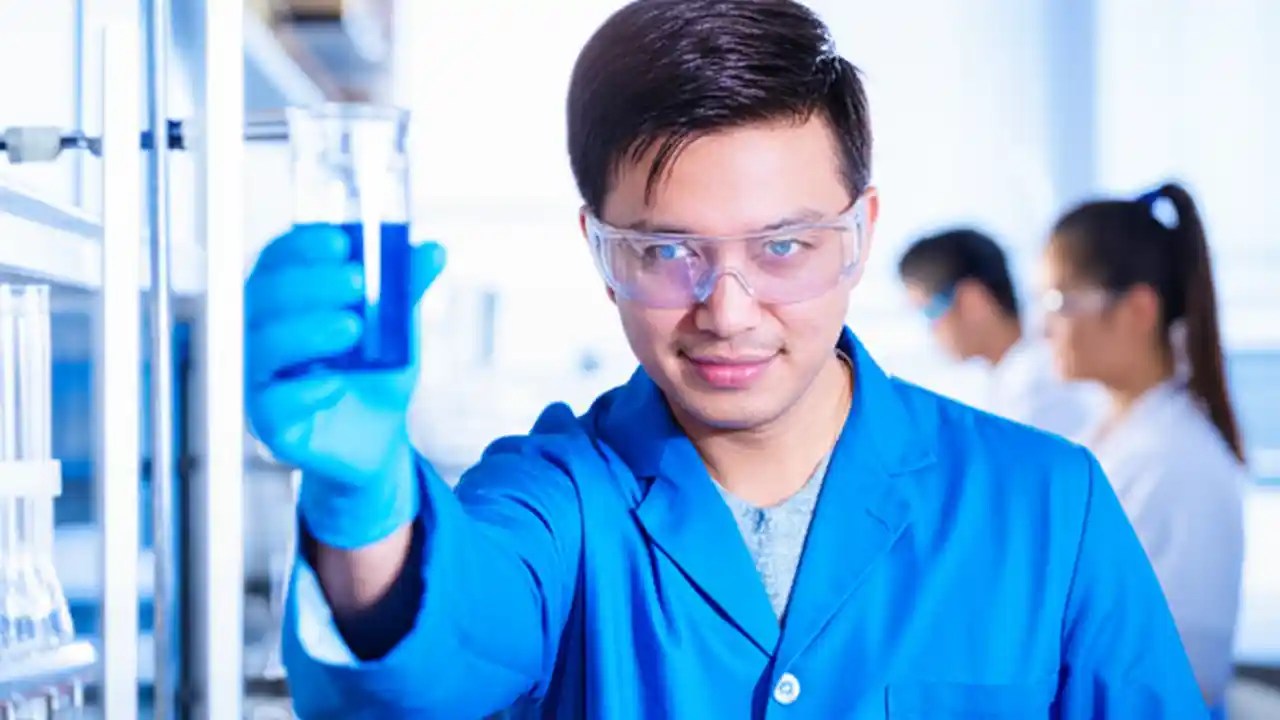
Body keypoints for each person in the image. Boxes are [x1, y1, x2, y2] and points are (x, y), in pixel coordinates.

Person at [245, 1, 1207, 717]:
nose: (729, 311)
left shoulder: (1047, 505)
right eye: (668, 251)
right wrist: (361, 503)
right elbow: (430, 664)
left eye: (783, 245)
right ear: (600, 250)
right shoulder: (561, 502)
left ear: (860, 233)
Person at [1041, 183, 1248, 711]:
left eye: (1061, 300)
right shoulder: (1112, 436)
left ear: (1136, 310)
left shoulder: (1176, 461)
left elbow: (1176, 675)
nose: (1046, 325)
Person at [898, 228, 1100, 438]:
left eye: (929, 312)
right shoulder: (1006, 375)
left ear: (971, 301)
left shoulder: (1039, 383)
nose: (930, 331)